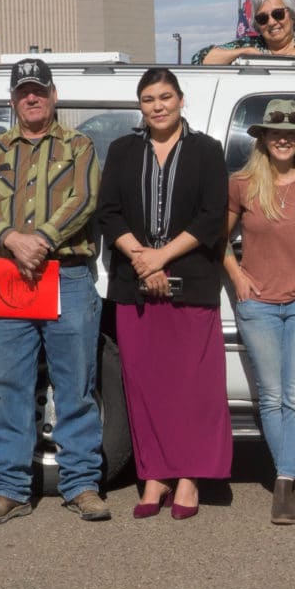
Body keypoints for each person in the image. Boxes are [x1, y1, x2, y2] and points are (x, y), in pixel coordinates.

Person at [0, 58, 111, 524]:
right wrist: (11, 238)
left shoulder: (80, 146)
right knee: (8, 386)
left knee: (76, 385)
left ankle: (81, 484)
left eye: (39, 90)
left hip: (66, 275)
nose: (31, 97)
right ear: (12, 99)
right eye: (23, 91)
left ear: (54, 95)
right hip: (9, 276)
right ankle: (9, 489)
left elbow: (83, 199)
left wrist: (38, 239)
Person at [98, 68, 232, 520]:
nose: (158, 106)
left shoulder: (207, 151)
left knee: (192, 387)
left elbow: (213, 216)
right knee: (145, 384)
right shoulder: (121, 150)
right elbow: (109, 213)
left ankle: (189, 477)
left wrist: (162, 258)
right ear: (140, 105)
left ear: (180, 100)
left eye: (165, 96)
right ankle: (154, 475)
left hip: (191, 283)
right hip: (133, 286)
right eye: (149, 98)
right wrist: (142, 258)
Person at [223, 98, 295, 525]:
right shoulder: (243, 184)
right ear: (264, 138)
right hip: (258, 306)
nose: (283, 138)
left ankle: (282, 485)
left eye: (291, 133)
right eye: (275, 132)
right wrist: (237, 277)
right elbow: (220, 241)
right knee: (271, 397)